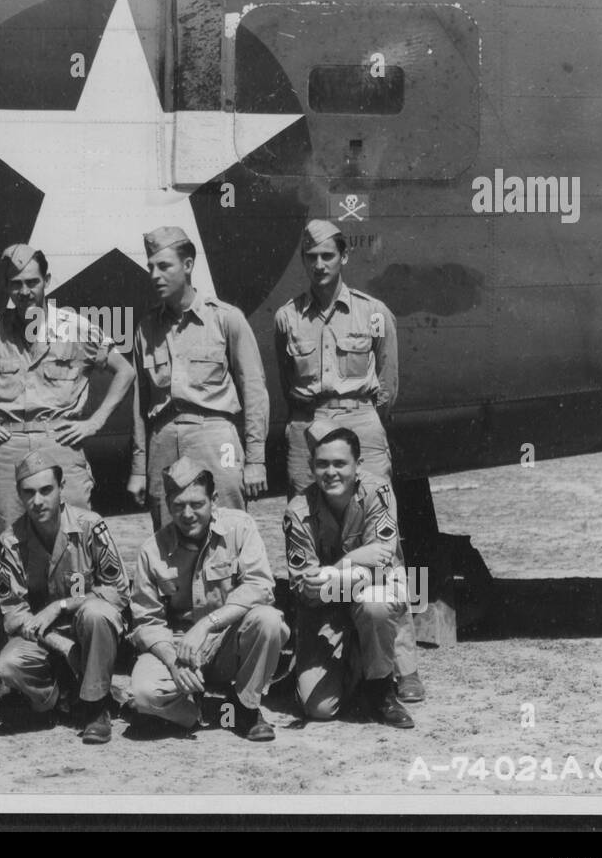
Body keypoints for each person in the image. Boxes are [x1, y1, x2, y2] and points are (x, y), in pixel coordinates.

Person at [273, 218, 425, 704]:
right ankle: (313, 652)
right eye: (311, 257)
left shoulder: (374, 313)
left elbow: (388, 387)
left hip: (361, 421)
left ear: (344, 257)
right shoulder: (287, 318)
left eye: (328, 256)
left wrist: (359, 420)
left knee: (384, 540)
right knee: (307, 528)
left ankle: (402, 664)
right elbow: (286, 381)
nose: (319, 265)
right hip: (307, 424)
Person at [0, 243, 134, 538]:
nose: (24, 291)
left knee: (75, 535)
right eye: (16, 284)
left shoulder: (74, 327)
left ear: (47, 281)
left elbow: (125, 371)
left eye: (32, 282)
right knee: (10, 538)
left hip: (60, 442)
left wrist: (95, 422)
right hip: (10, 446)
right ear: (6, 286)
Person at [127, 457, 287, 741]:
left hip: (227, 640)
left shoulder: (240, 527)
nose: (187, 514)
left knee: (269, 620)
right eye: (178, 506)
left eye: (197, 504)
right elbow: (146, 621)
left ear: (214, 500)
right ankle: (193, 709)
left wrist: (206, 625)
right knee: (143, 695)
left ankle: (245, 706)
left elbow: (260, 586)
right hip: (179, 648)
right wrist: (173, 662)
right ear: (168, 505)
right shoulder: (152, 550)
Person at [128, 226, 269, 531]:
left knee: (227, 530)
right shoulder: (146, 328)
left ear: (188, 265)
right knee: (168, 535)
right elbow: (140, 405)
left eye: (164, 266)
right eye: (150, 267)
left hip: (216, 440)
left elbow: (254, 391)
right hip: (163, 441)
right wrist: (139, 468)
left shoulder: (225, 318)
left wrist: (256, 460)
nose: (154, 275)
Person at [283, 422, 415, 729]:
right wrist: (349, 562)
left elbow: (382, 564)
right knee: (319, 708)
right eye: (322, 464)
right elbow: (305, 588)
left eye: (340, 463)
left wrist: (329, 574)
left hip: (374, 592)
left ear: (358, 465)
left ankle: (380, 690)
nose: (331, 472)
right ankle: (355, 662)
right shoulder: (298, 511)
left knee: (375, 603)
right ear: (311, 467)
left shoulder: (378, 491)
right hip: (325, 609)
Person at [0, 450, 130, 744]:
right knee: (9, 665)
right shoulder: (11, 541)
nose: (37, 500)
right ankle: (61, 699)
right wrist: (62, 644)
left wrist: (62, 605)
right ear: (19, 494)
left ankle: (96, 708)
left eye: (46, 490)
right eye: (28, 493)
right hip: (42, 638)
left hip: (88, 632)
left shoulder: (90, 525)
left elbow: (118, 591)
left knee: (97, 613)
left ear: (61, 488)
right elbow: (13, 612)